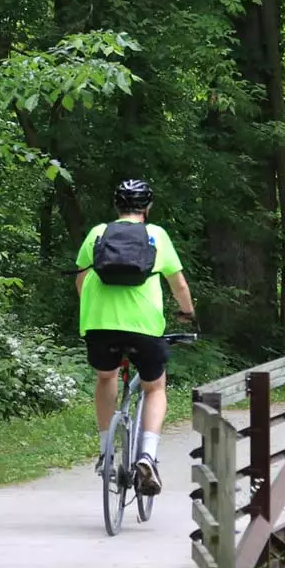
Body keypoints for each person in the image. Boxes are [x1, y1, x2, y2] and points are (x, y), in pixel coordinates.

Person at [75, 178, 196, 495]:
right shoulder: (157, 236)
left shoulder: (97, 234)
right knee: (154, 386)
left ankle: (105, 452)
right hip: (144, 326)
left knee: (105, 377)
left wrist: (93, 311)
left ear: (117, 206)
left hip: (99, 324)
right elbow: (179, 285)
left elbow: (80, 281)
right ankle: (147, 456)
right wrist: (187, 313)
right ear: (147, 208)